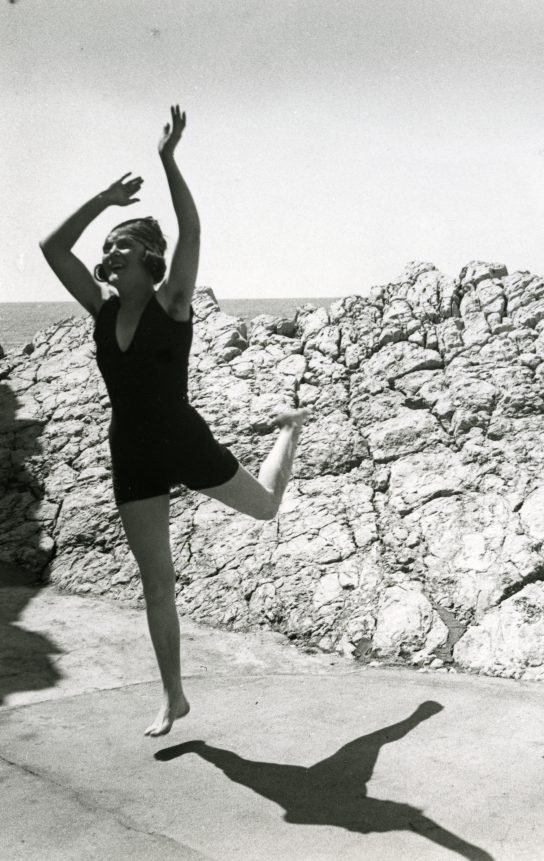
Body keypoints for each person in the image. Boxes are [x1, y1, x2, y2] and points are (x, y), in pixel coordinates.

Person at [39, 106, 308, 736]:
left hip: (183, 440)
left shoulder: (173, 301)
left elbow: (191, 225)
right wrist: (101, 201)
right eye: (108, 247)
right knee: (157, 584)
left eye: (121, 245)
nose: (108, 253)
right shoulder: (101, 311)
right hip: (132, 451)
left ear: (151, 260)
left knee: (267, 508)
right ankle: (173, 697)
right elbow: (53, 247)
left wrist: (168, 160)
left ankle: (289, 431)